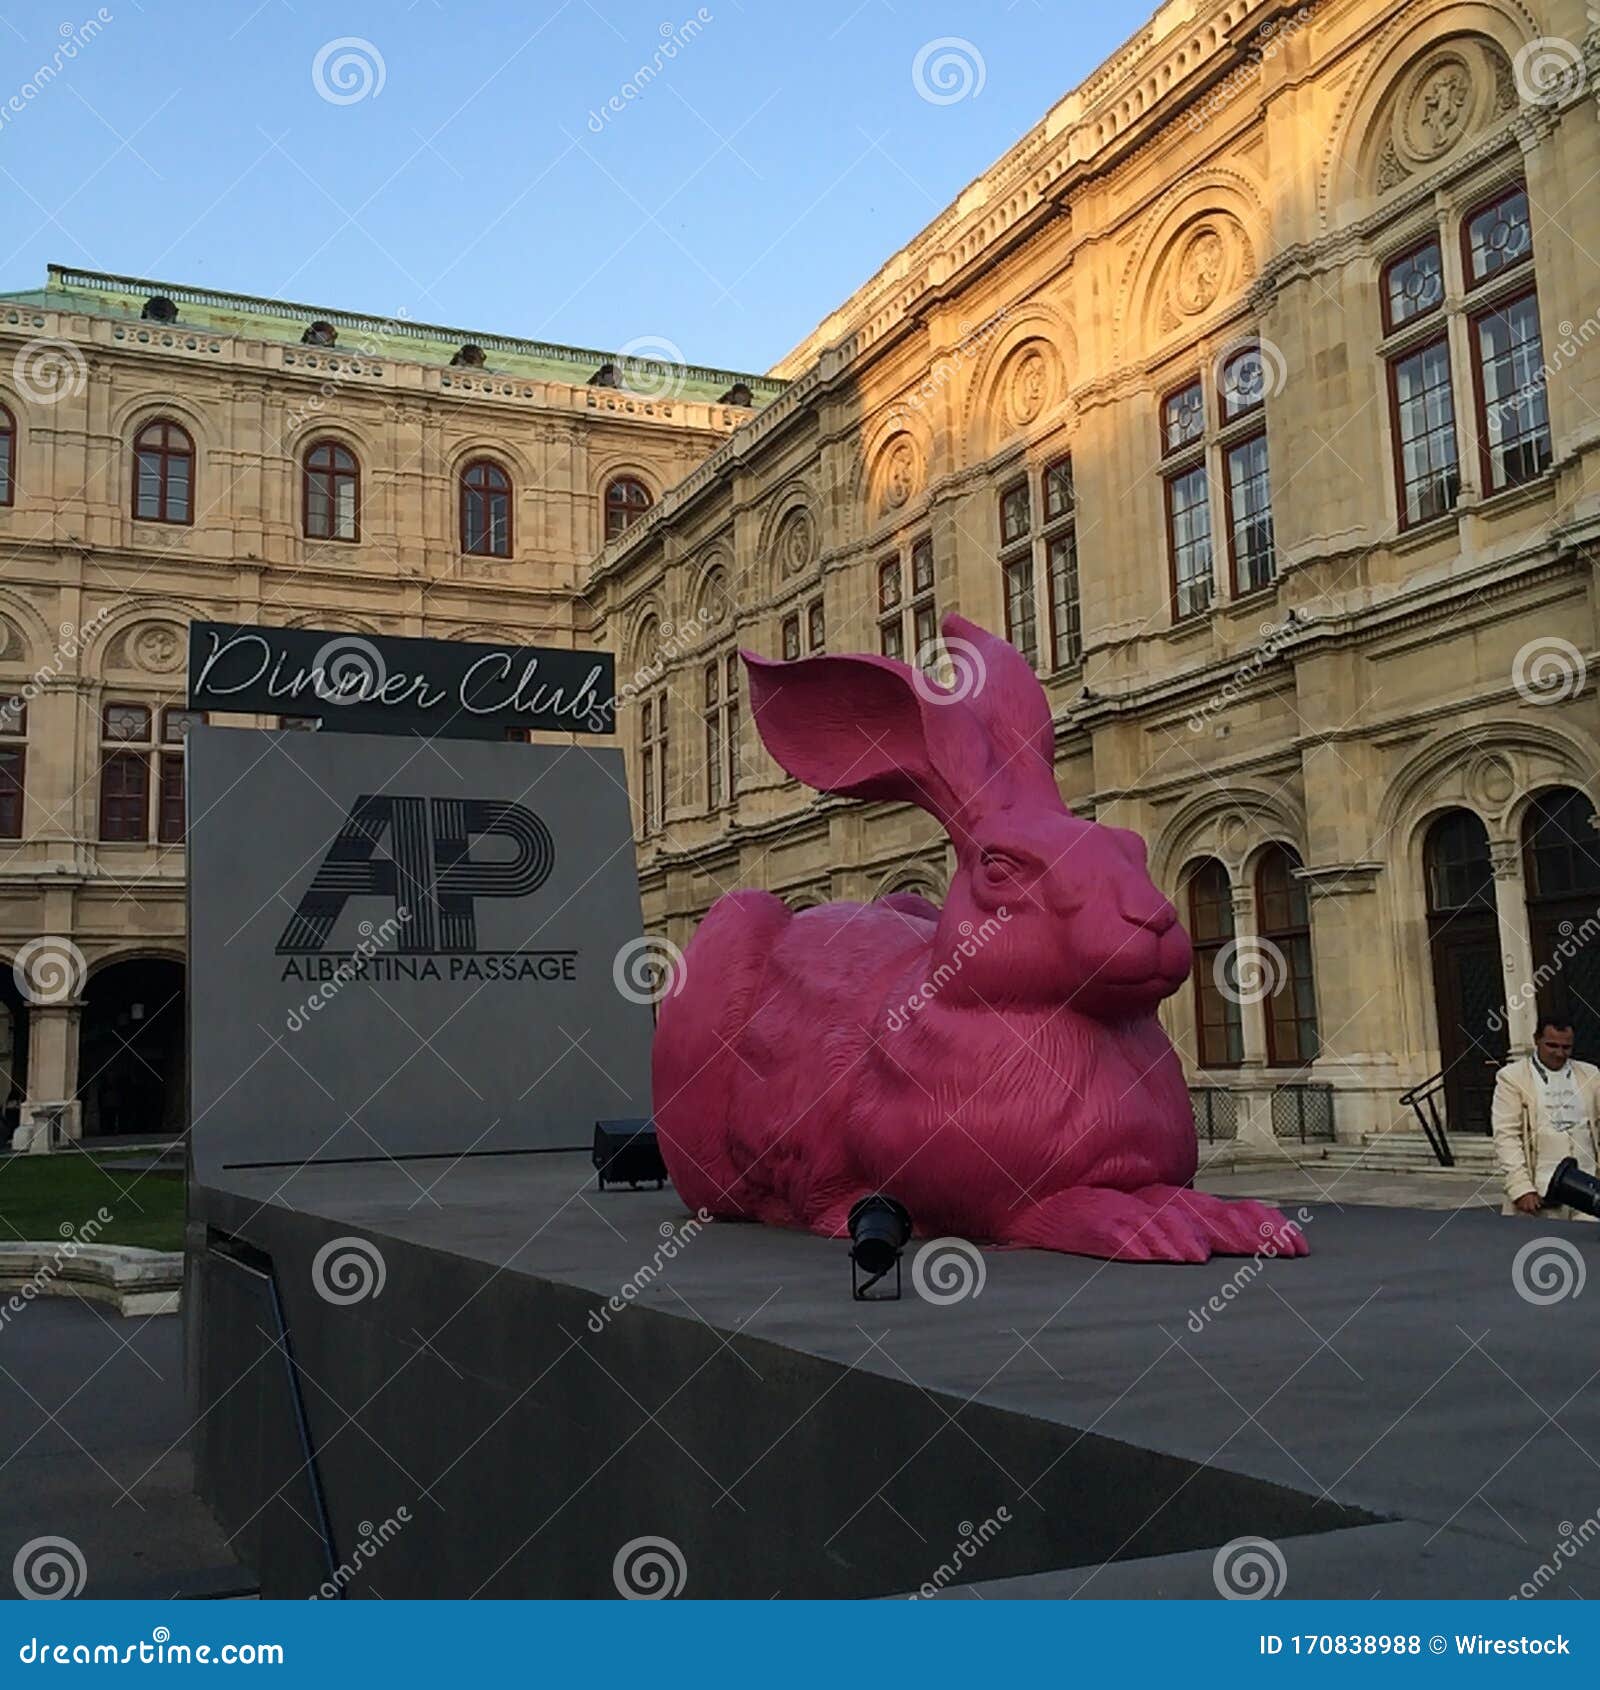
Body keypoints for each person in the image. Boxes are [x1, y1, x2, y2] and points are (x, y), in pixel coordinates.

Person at [1492, 1013, 1600, 1221]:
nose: (1559, 1053)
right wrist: (1520, 1187)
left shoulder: (1590, 1075)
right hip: (1540, 1194)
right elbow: (1506, 1136)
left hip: (1589, 1189)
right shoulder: (1512, 1077)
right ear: (1536, 1040)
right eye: (1552, 1045)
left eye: (1566, 1047)